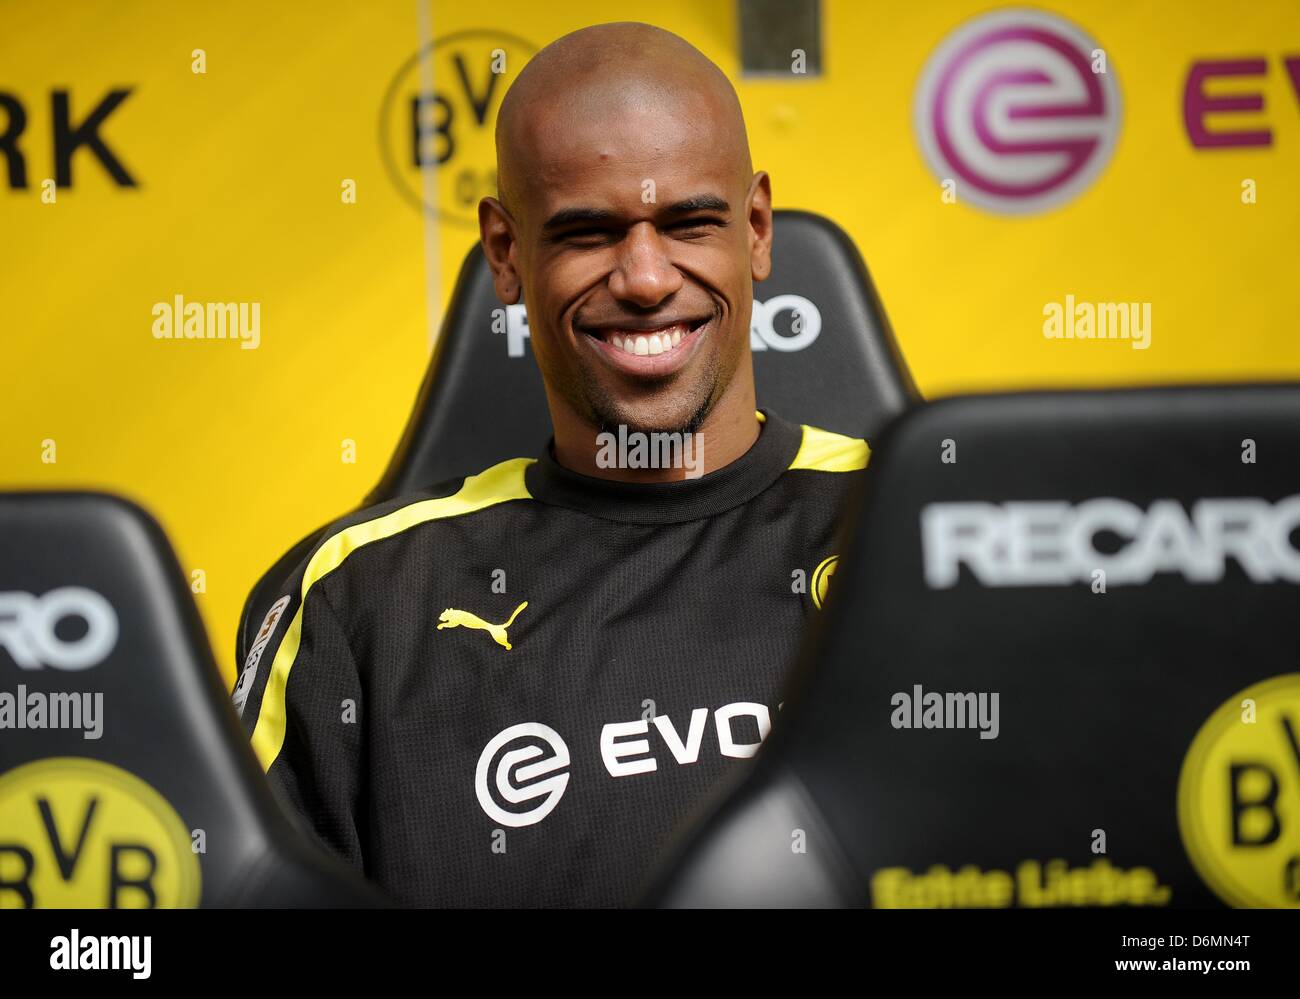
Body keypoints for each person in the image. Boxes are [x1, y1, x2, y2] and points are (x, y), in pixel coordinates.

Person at [234, 21, 869, 907]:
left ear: (756, 228)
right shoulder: (358, 600)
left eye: (688, 221)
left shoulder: (927, 535)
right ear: (504, 251)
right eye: (588, 233)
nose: (645, 278)